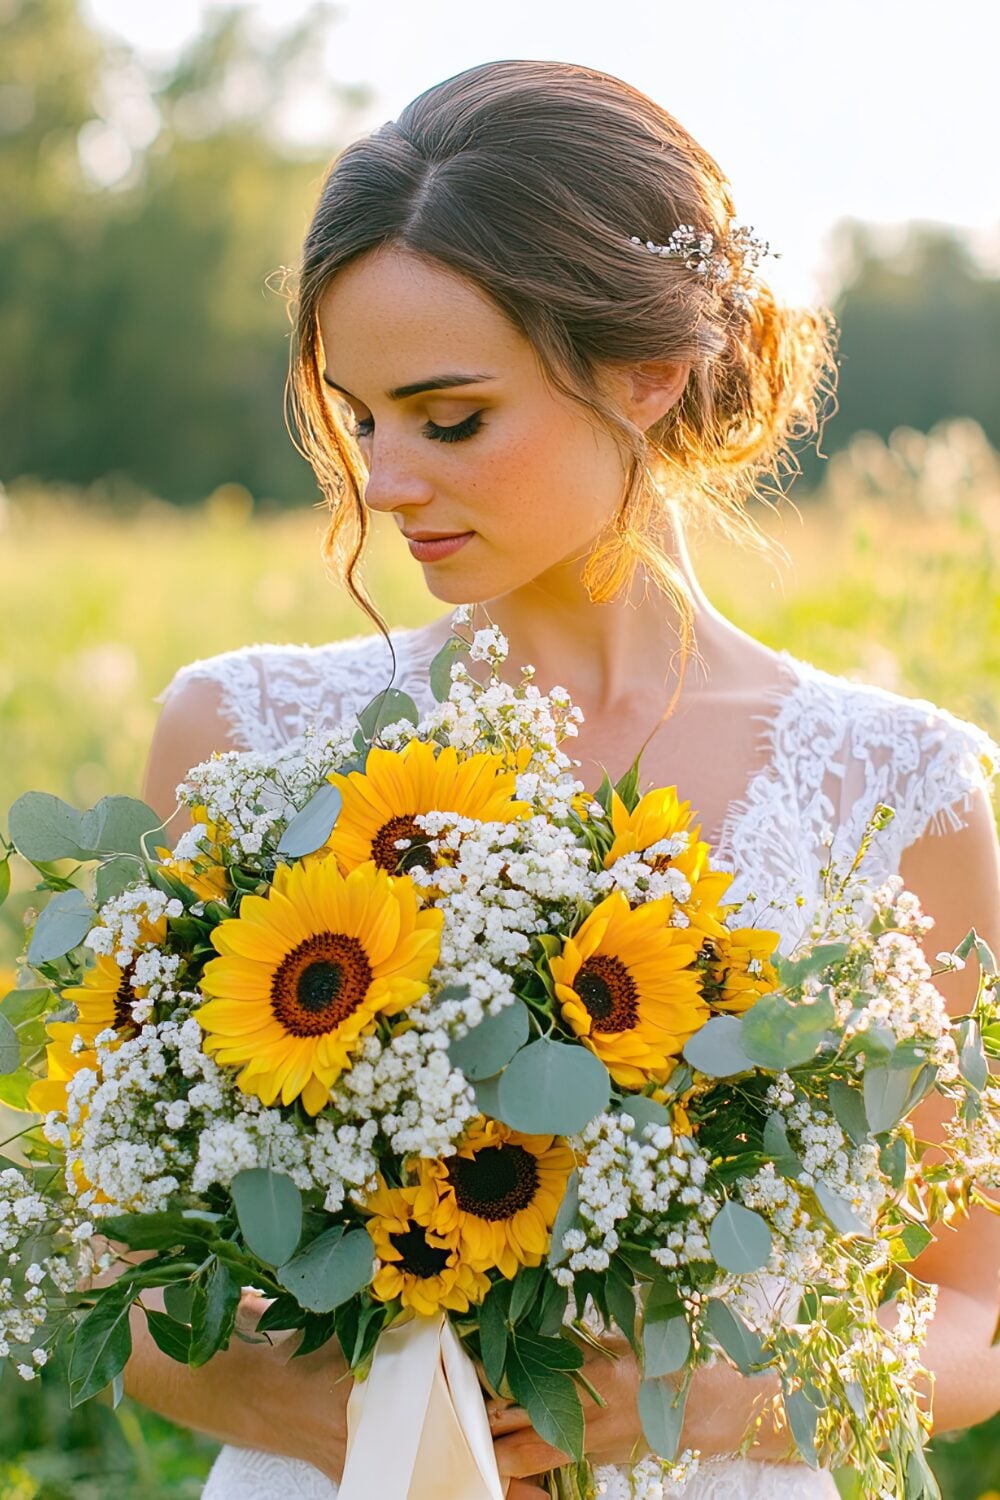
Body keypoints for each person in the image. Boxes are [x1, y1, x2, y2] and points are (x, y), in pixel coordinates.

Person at [132, 58, 1000, 1500]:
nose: (385, 481)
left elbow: (981, 1307)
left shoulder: (912, 793)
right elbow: (115, 1258)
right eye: (361, 418)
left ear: (647, 373)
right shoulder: (239, 737)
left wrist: (721, 1397)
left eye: (449, 416)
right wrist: (335, 1413)